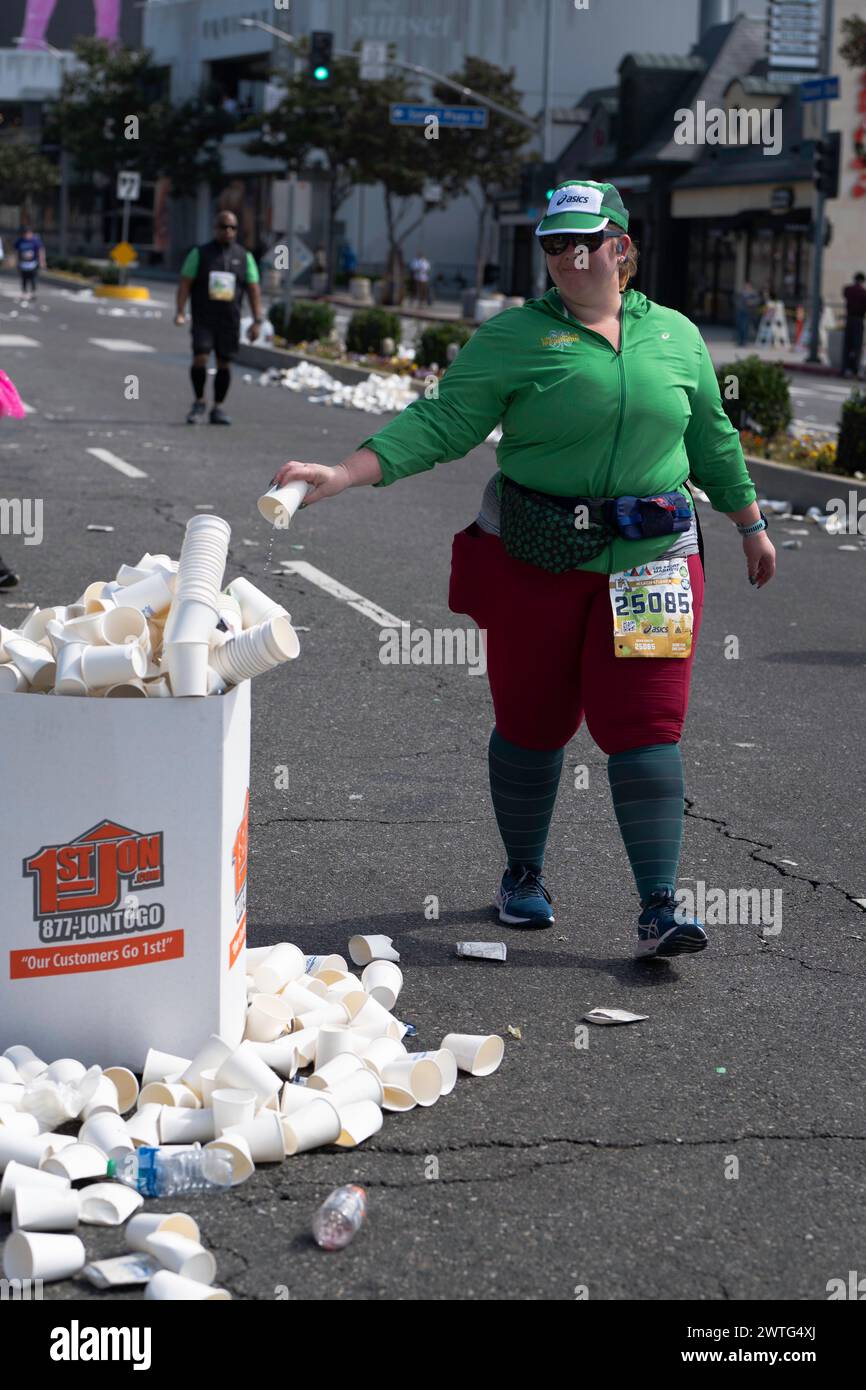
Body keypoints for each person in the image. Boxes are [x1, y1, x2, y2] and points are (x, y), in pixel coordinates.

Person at [270, 179, 776, 960]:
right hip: (536, 557)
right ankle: (523, 876)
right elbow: (441, 423)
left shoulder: (675, 335)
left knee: (646, 728)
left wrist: (749, 522)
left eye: (585, 241)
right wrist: (340, 474)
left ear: (623, 247)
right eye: (552, 245)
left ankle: (659, 907)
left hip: (654, 562)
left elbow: (710, 437)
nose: (570, 259)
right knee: (533, 726)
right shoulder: (513, 337)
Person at [174, 211, 263, 426]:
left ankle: (218, 407)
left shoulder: (244, 257)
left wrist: (257, 320)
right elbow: (185, 283)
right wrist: (180, 311)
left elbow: (253, 289)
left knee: (225, 363)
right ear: (216, 229)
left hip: (229, 321)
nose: (228, 231)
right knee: (201, 358)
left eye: (232, 228)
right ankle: (199, 401)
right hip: (204, 319)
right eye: (224, 227)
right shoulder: (200, 253)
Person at [841, 272, 866, 378]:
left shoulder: (848, 289)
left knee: (847, 345)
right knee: (857, 346)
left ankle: (845, 368)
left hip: (849, 319)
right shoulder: (863, 293)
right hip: (859, 320)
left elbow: (845, 295)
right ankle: (854, 369)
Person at [15, 223, 45, 297]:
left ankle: (33, 292)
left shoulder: (35, 241)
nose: (26, 235)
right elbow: (16, 251)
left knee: (33, 278)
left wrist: (42, 261)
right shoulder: (20, 241)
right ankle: (24, 292)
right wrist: (16, 261)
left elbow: (40, 250)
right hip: (23, 263)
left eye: (28, 233)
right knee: (24, 279)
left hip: (33, 263)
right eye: (25, 233)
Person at [735, 280, 759, 346]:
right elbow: (737, 301)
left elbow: (757, 301)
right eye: (745, 285)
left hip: (747, 312)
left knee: (744, 327)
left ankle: (744, 341)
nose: (746, 286)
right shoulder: (741, 292)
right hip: (740, 311)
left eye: (748, 285)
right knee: (739, 326)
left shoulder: (753, 293)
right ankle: (740, 341)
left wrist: (751, 302)